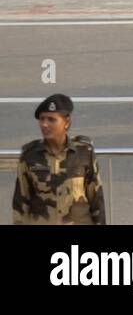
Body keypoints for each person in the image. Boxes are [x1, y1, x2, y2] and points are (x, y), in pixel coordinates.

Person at [12, 94, 105, 225]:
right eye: (42, 119)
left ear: (66, 122)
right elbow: (20, 203)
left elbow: (96, 200)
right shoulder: (30, 155)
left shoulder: (84, 153)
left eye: (51, 120)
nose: (44, 124)